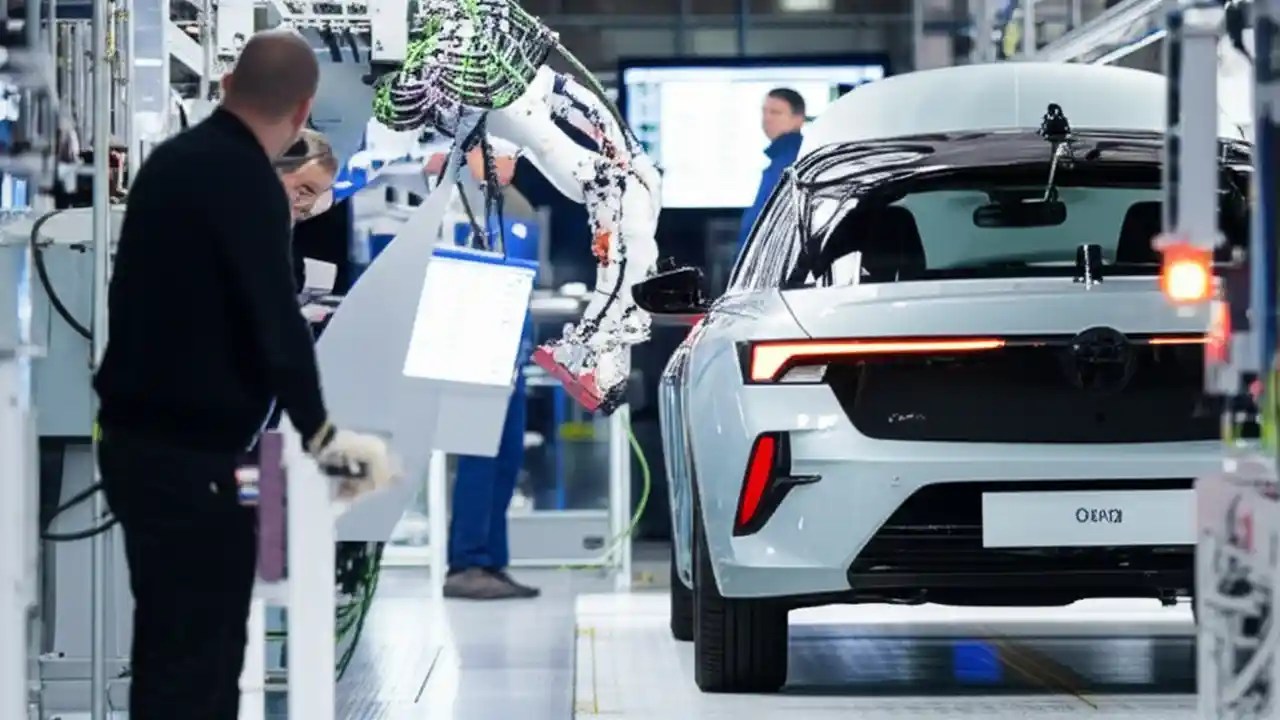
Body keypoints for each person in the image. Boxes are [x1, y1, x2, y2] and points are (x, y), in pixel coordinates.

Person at [93, 30, 394, 719]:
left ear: (226, 85)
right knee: (205, 654)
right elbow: (274, 323)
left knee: (168, 645)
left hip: (136, 447)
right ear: (303, 109)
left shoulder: (172, 163)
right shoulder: (248, 183)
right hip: (194, 457)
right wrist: (324, 437)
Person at [442, 152, 540, 600]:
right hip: (475, 348)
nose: (506, 162)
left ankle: (491, 561)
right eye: (496, 154)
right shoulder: (456, 201)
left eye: (511, 156)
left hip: (509, 349)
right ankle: (467, 562)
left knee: (504, 461)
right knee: (480, 460)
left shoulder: (513, 204)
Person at [737, 88, 808, 249]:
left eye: (775, 112)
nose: (767, 118)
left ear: (798, 119)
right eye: (764, 111)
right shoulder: (778, 160)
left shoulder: (793, 163)